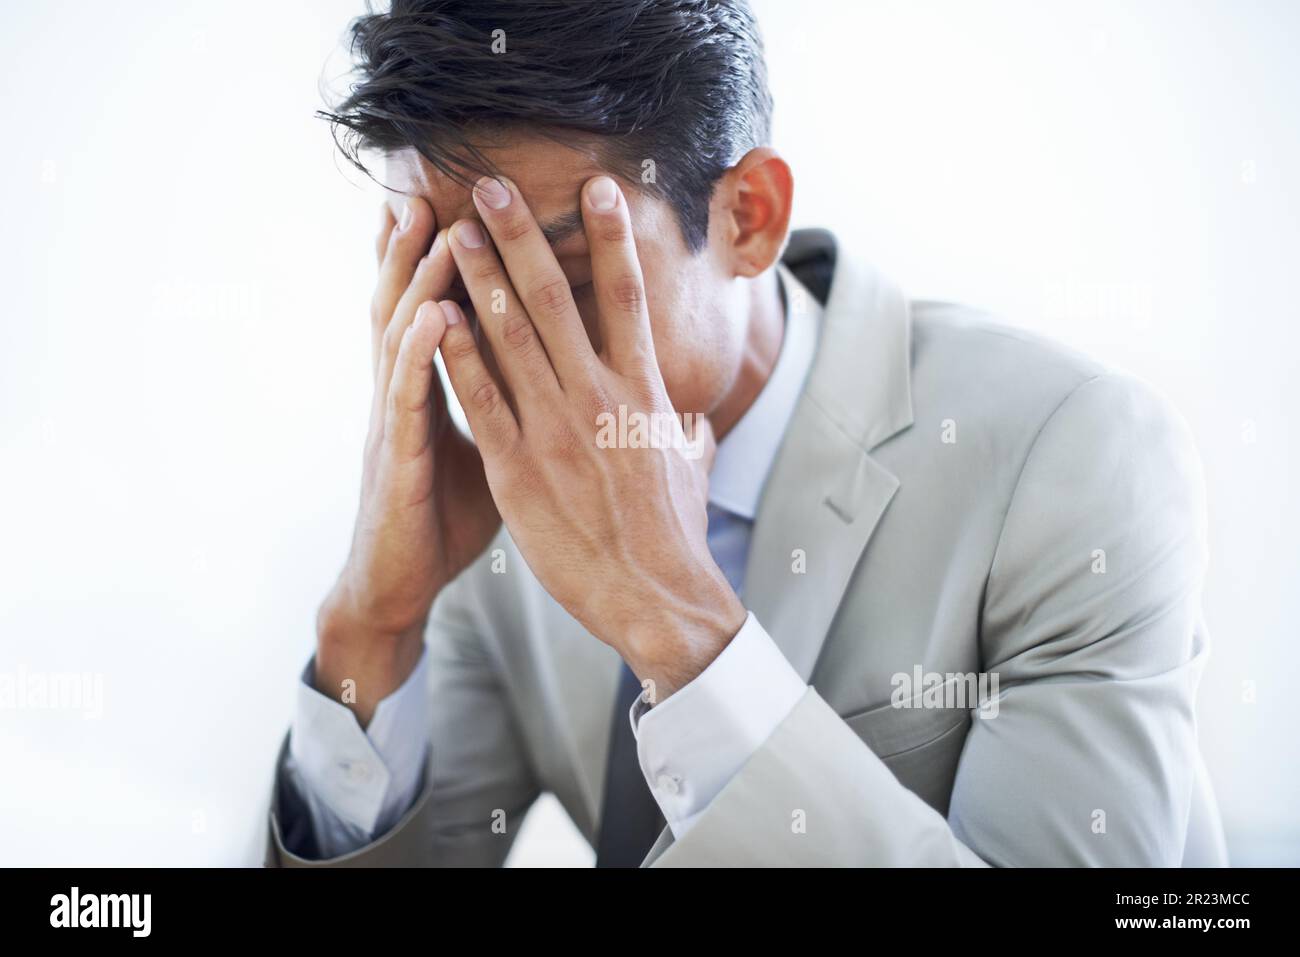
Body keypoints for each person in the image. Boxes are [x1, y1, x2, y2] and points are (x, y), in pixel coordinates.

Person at [262, 0, 1227, 867]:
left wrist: (683, 632)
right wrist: (371, 627)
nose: (505, 359)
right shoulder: (497, 513)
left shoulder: (1078, 455)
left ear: (749, 218)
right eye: (454, 289)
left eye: (563, 288)